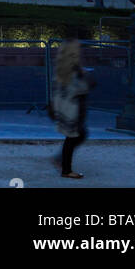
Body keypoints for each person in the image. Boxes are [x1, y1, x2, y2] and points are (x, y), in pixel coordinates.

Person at [50, 38, 93, 179]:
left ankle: (62, 164)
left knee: (75, 135)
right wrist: (85, 75)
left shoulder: (63, 66)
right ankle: (65, 169)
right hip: (73, 108)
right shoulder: (74, 70)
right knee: (75, 136)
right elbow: (83, 88)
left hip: (65, 107)